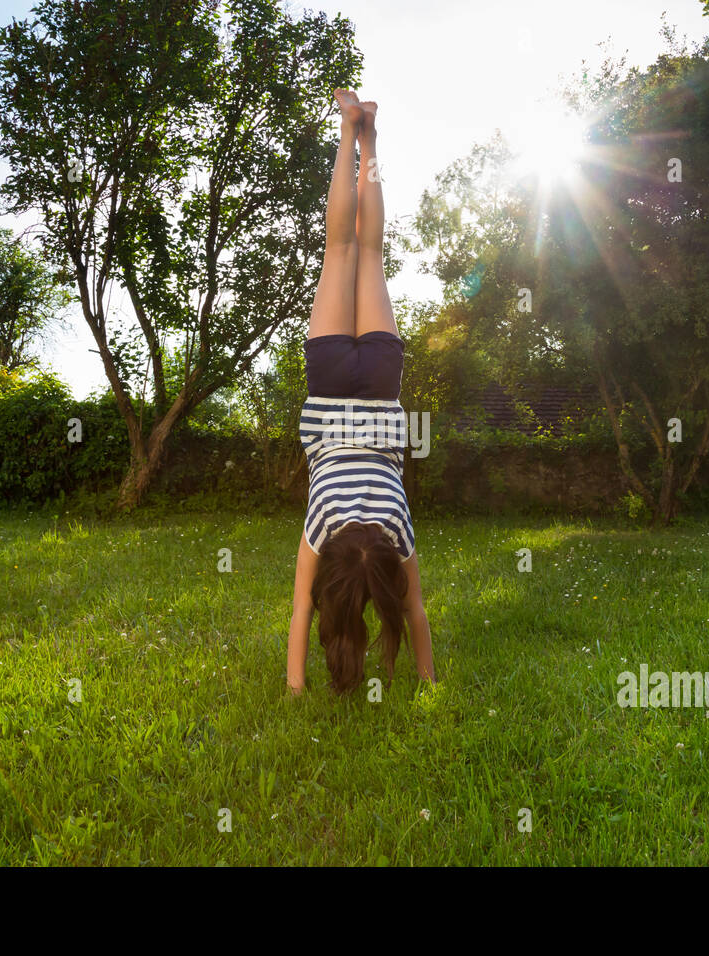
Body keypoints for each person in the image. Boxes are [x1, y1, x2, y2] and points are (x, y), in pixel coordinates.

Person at [286, 89, 435, 695]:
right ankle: (350, 130)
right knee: (342, 247)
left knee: (368, 249)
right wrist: (293, 687)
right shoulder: (322, 525)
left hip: (377, 387)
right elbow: (299, 612)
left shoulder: (396, 528)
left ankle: (369, 139)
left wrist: (429, 678)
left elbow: (418, 616)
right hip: (327, 386)